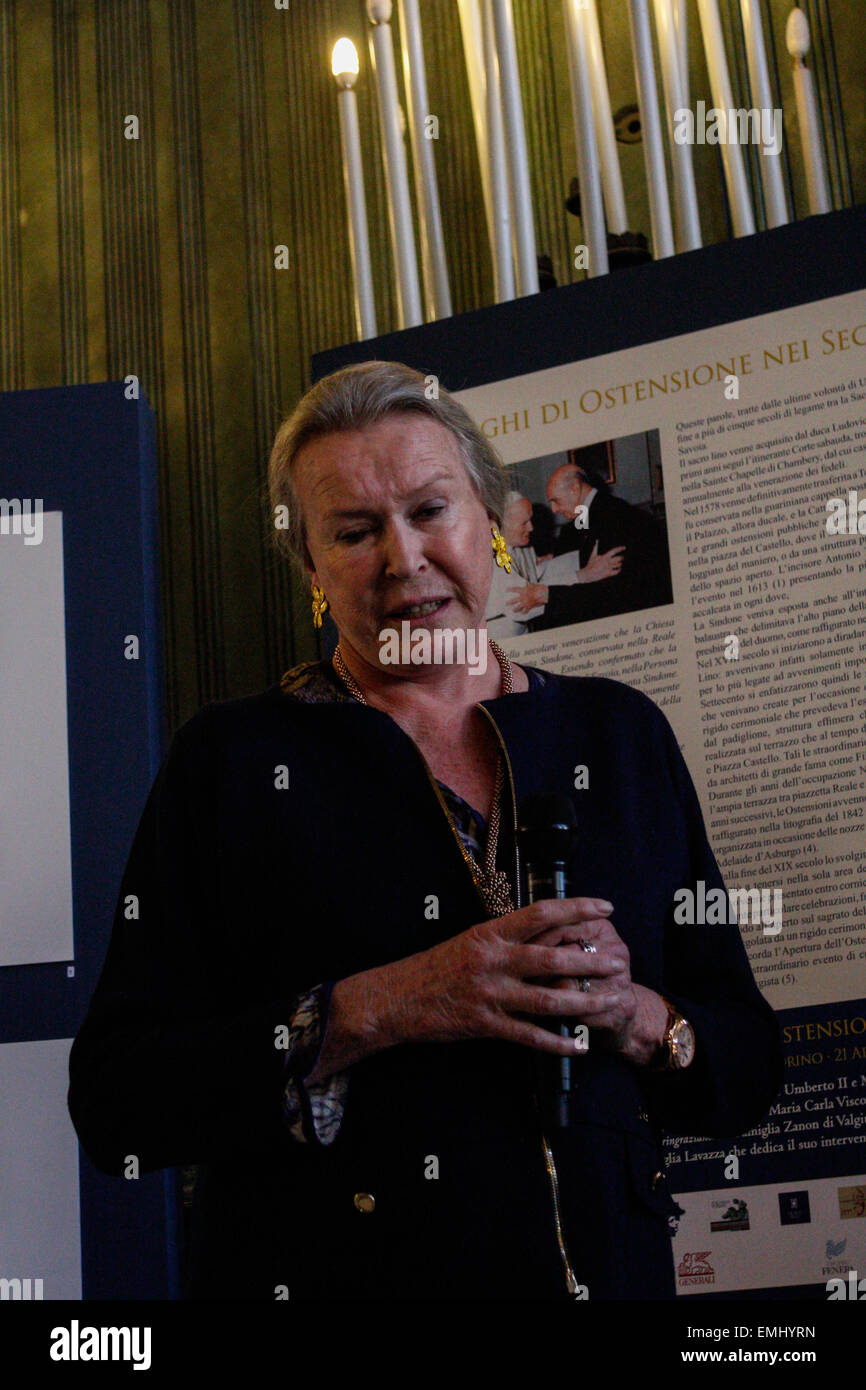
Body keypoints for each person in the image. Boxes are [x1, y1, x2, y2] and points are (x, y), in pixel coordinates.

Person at [68, 361, 782, 1301]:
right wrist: (387, 1005)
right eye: (354, 532)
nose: (402, 559)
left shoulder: (620, 734)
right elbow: (118, 1102)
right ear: (311, 568)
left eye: (430, 510)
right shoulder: (232, 761)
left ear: (490, 519)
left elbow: (746, 1068)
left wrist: (638, 1017)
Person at [538, 461, 673, 627]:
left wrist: (550, 594)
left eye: (556, 501)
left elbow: (610, 591)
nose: (553, 509)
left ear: (575, 488)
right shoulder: (592, 513)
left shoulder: (611, 516)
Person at [492, 489, 625, 635]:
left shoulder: (522, 544)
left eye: (530, 519)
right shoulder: (491, 559)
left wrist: (583, 558)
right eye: (524, 523)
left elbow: (539, 574)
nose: (531, 528)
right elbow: (521, 605)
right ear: (501, 527)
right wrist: (583, 575)